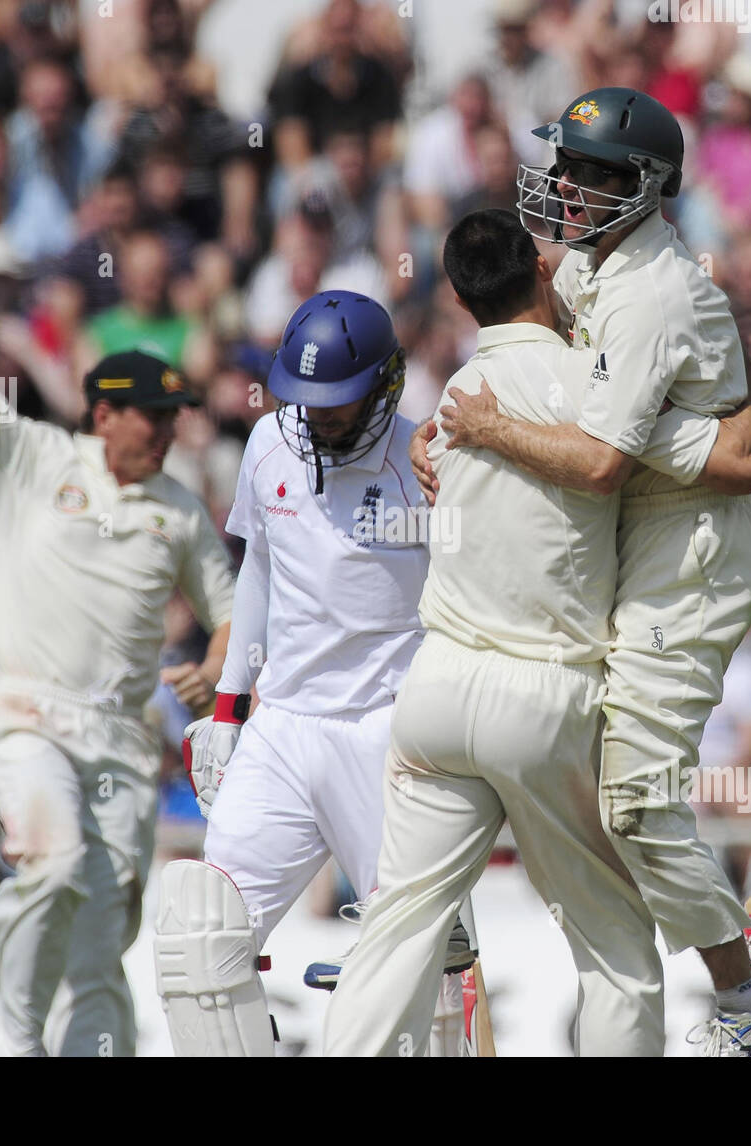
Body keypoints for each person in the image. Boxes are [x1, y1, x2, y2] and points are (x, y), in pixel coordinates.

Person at [325, 209, 751, 1057]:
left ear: (462, 303)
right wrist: (741, 368)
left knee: (396, 929)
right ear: (543, 269)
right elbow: (741, 463)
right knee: (615, 951)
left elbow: (461, 432)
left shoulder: (455, 396)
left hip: (433, 694)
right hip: (543, 695)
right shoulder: (595, 393)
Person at [420, 91, 751, 1055]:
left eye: (598, 174)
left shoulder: (654, 289)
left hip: (693, 558)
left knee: (635, 798)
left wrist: (485, 428)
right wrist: (445, 438)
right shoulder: (598, 263)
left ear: (651, 187)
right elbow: (549, 362)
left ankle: (748, 1004)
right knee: (596, 782)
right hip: (646, 538)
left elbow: (597, 460)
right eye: (570, 169)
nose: (573, 188)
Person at [0, 204, 236, 1058]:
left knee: (100, 955)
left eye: (174, 416)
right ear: (103, 415)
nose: (169, 430)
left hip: (123, 749)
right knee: (49, 861)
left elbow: (235, 613)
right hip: (28, 714)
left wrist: (215, 658)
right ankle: (2, 1039)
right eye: (152, 416)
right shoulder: (31, 459)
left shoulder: (178, 509)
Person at [153, 290, 474, 1058]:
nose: (321, 419)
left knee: (425, 970)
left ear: (387, 384)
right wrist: (230, 711)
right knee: (202, 933)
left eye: (340, 403)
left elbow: (471, 603)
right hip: (285, 730)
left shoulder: (426, 462)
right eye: (308, 401)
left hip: (390, 736)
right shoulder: (269, 443)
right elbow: (259, 575)